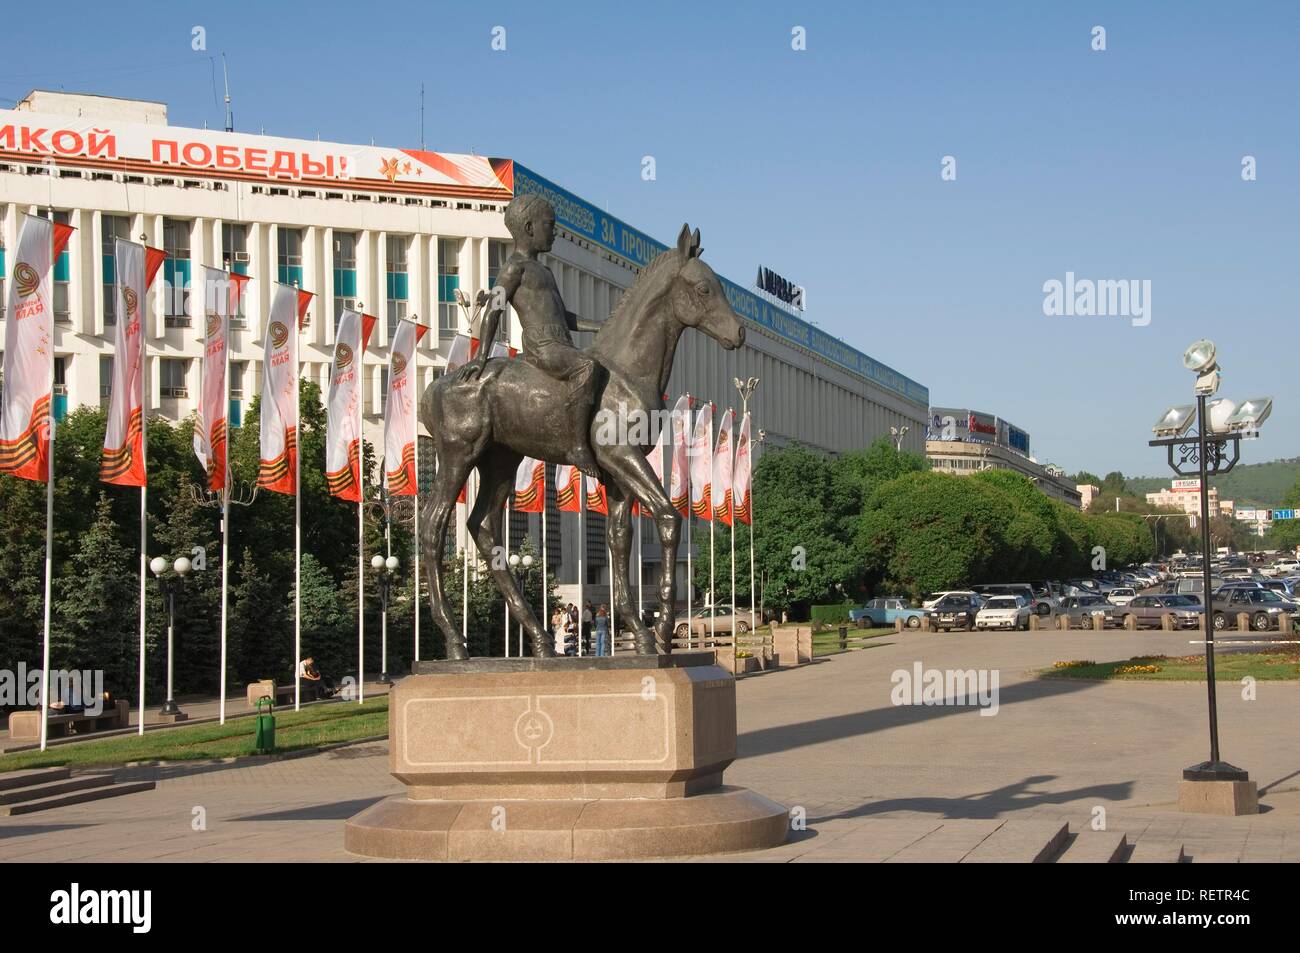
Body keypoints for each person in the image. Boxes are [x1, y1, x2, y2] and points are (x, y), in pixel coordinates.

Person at [456, 194, 600, 478]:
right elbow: (493, 311)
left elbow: (565, 317)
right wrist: (482, 357)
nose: (555, 232)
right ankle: (577, 445)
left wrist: (601, 326)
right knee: (588, 366)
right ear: (530, 227)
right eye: (550, 224)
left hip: (562, 343)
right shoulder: (514, 268)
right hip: (541, 346)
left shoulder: (545, 270)